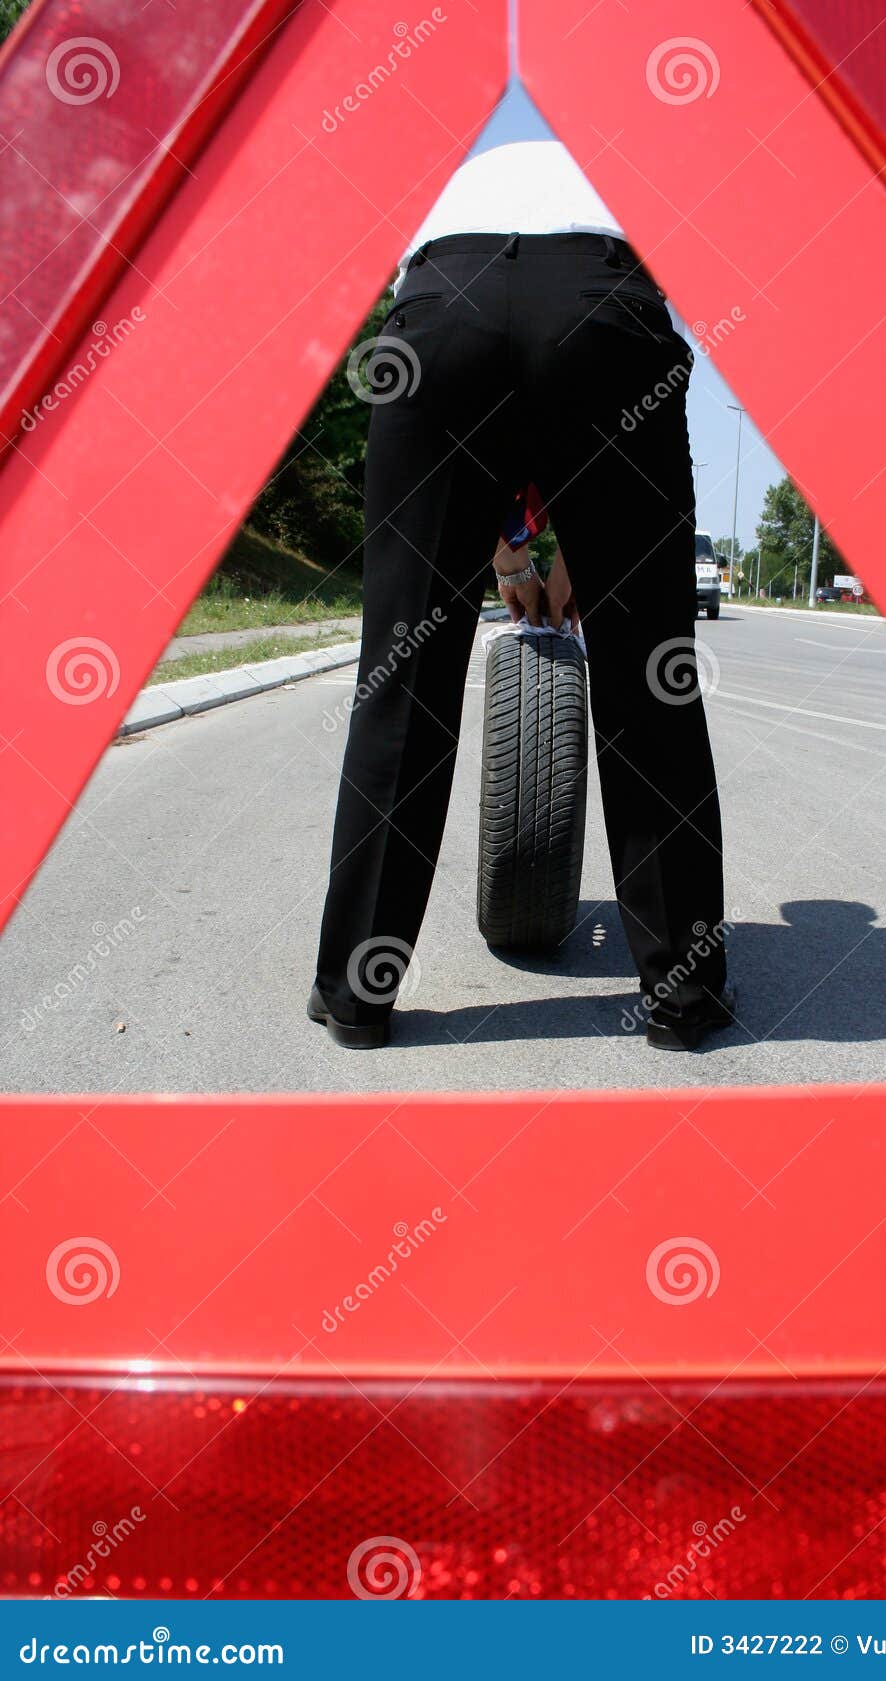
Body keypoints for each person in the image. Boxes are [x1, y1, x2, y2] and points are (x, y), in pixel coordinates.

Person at [308, 90, 734, 1052]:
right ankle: (681, 997)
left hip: (439, 305)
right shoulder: (625, 174)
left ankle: (354, 992)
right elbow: (574, 349)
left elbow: (490, 354)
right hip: (601, 301)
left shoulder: (452, 181)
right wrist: (580, 537)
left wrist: (509, 535)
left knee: (402, 671)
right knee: (647, 671)